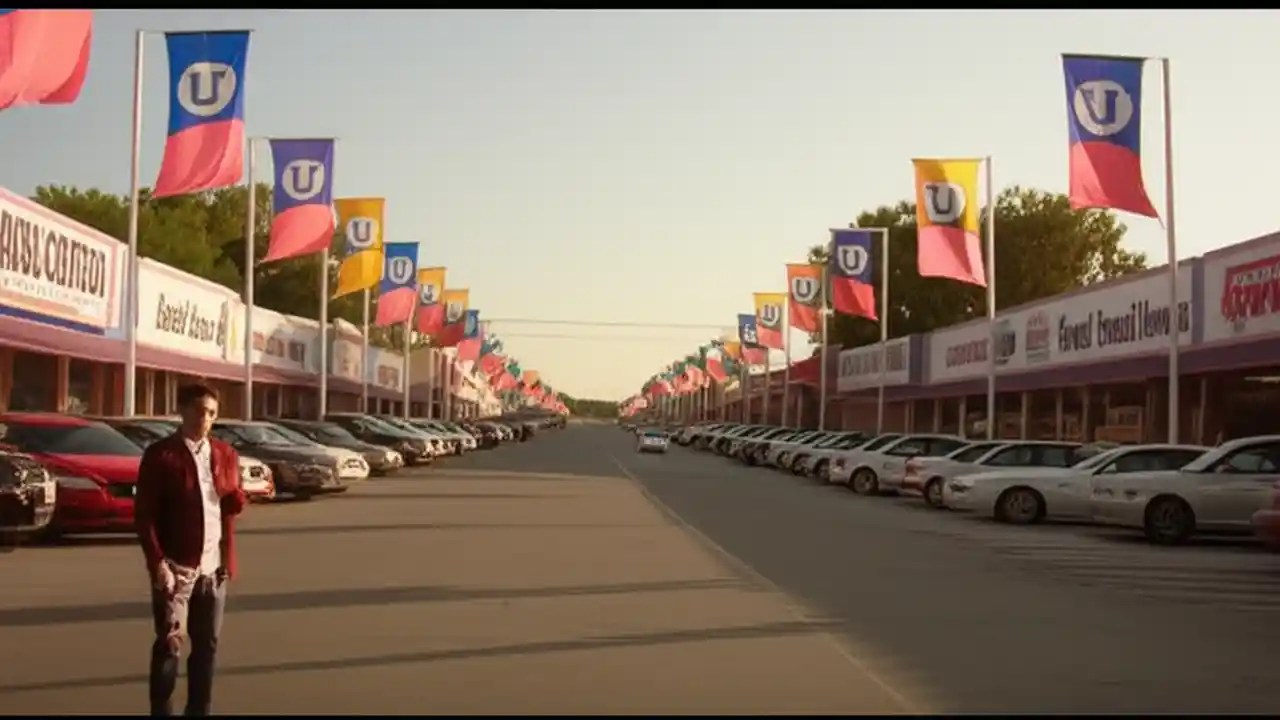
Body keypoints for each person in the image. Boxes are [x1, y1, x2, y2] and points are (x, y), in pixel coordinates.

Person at [134, 382, 247, 716]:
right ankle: (161, 709)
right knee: (170, 644)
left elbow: (229, 508)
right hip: (175, 570)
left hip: (214, 570)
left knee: (207, 647)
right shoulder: (161, 455)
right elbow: (144, 516)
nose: (205, 419)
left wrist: (238, 498)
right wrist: (157, 563)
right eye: (199, 411)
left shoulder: (225, 453)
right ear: (181, 410)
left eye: (212, 413)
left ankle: (200, 709)